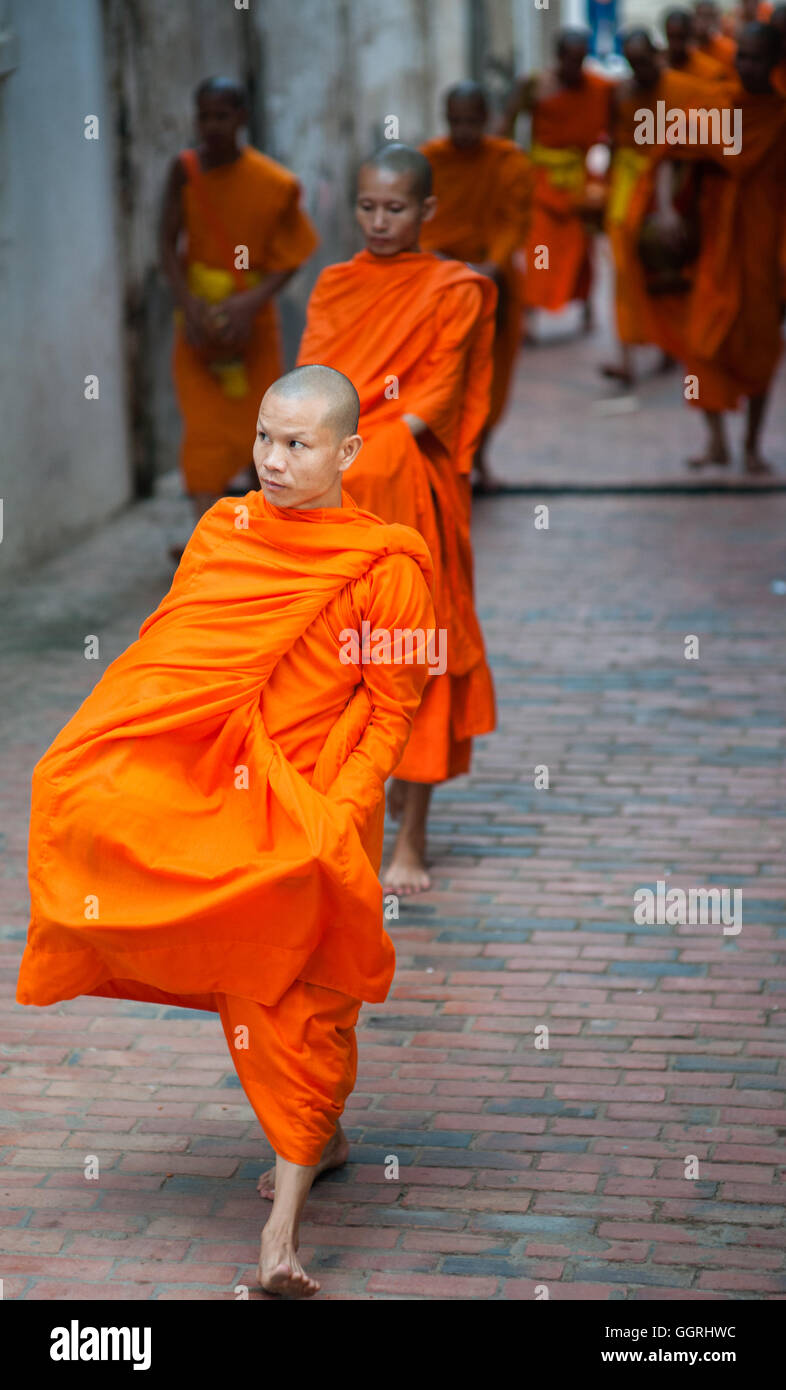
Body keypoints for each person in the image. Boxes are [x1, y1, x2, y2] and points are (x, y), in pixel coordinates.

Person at [16, 366, 437, 1298]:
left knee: (309, 1000)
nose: (275, 463)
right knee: (259, 984)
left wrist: (338, 810)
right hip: (234, 796)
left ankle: (279, 1237)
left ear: (348, 453)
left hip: (323, 804)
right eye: (264, 441)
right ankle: (316, 1142)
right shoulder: (224, 531)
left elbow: (391, 709)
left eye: (298, 445)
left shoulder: (392, 566)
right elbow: (168, 666)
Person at [297, 143, 497, 894]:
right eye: (367, 207)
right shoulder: (336, 284)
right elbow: (315, 375)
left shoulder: (456, 289)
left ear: (427, 212)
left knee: (416, 657)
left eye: (396, 208)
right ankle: (342, 816)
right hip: (339, 488)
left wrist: (366, 452)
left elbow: (437, 399)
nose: (380, 222)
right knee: (337, 664)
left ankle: (412, 838)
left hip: (409, 485)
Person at [160, 77, 318, 546]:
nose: (211, 125)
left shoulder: (273, 183)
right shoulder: (184, 171)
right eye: (204, 115)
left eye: (222, 115)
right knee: (204, 432)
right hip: (197, 322)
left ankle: (260, 535)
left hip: (253, 322)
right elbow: (166, 243)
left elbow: (293, 255)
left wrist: (249, 303)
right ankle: (203, 539)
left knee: (262, 430)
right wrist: (188, 303)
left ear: (242, 117)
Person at [653, 22, 786, 470]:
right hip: (714, 242)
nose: (745, 64)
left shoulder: (781, 116)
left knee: (760, 345)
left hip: (764, 247)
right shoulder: (715, 108)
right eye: (741, 56)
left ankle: (750, 445)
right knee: (703, 342)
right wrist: (668, 213)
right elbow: (665, 151)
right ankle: (716, 441)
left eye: (755, 57)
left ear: (774, 61)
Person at [419, 82, 533, 493]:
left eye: (471, 121)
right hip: (439, 283)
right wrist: (440, 262)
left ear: (485, 120)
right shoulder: (428, 161)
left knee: (490, 378)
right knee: (442, 378)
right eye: (455, 121)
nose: (463, 130)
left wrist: (491, 266)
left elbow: (513, 220)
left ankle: (479, 456)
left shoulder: (506, 161)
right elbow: (419, 221)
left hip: (494, 282)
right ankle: (445, 463)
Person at [602, 30, 721, 385]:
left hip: (671, 186)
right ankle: (627, 355)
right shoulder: (622, 93)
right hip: (627, 185)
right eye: (632, 63)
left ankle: (671, 345)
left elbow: (705, 138)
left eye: (644, 60)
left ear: (658, 53)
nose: (640, 69)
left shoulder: (686, 88)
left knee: (667, 268)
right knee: (624, 268)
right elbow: (614, 141)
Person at [498, 28, 613, 332]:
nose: (575, 68)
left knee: (581, 249)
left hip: (579, 180)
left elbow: (620, 111)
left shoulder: (598, 87)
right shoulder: (536, 85)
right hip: (542, 179)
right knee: (539, 246)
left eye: (581, 60)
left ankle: (587, 308)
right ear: (558, 57)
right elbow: (506, 122)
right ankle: (529, 316)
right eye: (570, 60)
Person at [663, 6, 730, 76]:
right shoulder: (659, 68)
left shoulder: (712, 71)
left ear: (690, 35)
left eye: (680, 37)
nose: (675, 44)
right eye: (671, 37)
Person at [693, 0, 738, 69]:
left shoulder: (729, 48)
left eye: (709, 17)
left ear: (717, 20)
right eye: (701, 16)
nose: (704, 21)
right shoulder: (688, 49)